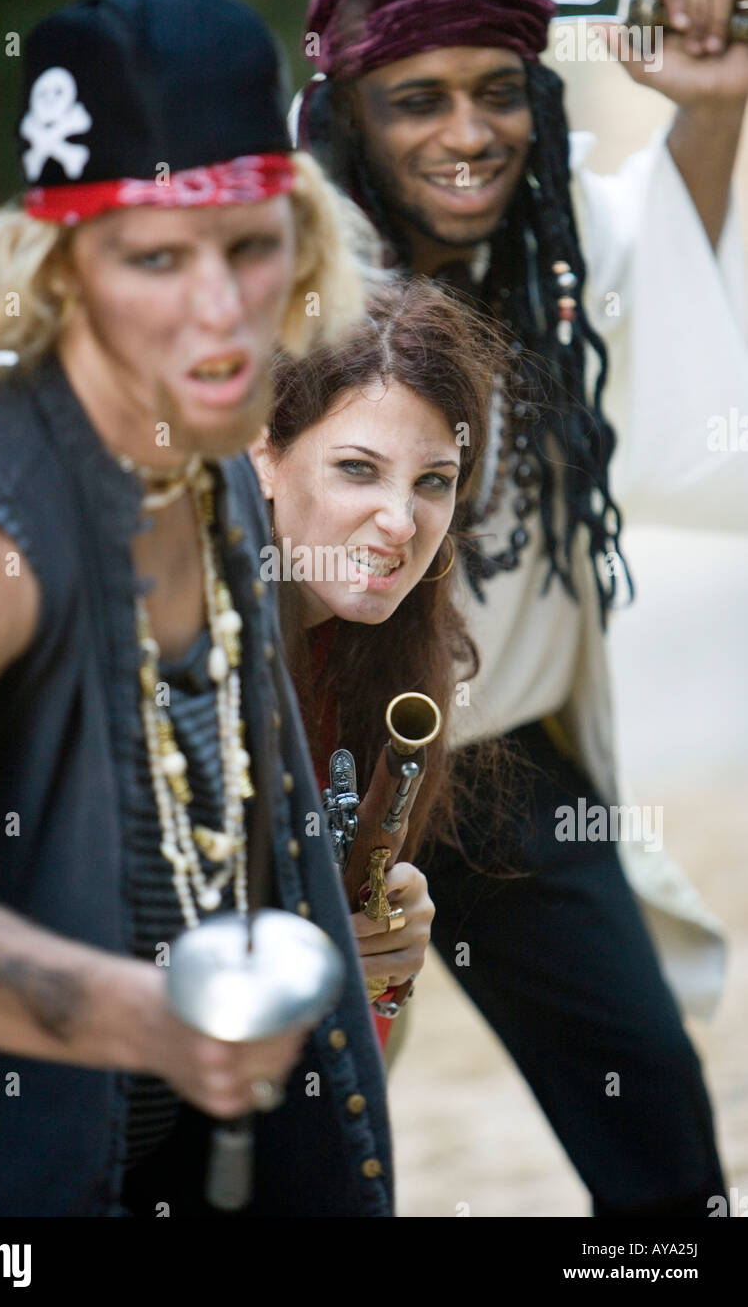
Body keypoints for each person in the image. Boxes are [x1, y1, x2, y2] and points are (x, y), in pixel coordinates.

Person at [0, 0, 394, 1218]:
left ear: (304, 237)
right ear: (60, 271)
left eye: (250, 245)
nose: (218, 314)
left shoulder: (202, 451)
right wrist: (151, 1018)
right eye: (154, 258)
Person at [296, 0, 748, 1216]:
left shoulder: (560, 246)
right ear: (346, 112)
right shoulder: (285, 280)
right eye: (417, 99)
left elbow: (671, 292)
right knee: (304, 1137)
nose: (469, 130)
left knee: (656, 1120)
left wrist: (710, 112)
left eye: (499, 89)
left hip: (502, 765)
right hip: (309, 762)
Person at [252, 275, 505, 1047]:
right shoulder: (171, 643)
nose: (400, 522)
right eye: (357, 469)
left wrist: (388, 938)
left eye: (434, 482)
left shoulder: (379, 654)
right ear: (263, 451)